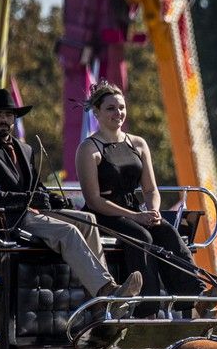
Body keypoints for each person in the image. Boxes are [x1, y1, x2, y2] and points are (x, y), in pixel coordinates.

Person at [0, 88, 141, 343]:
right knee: (67, 231)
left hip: (35, 211)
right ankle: (106, 292)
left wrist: (55, 199)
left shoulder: (24, 149)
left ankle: (101, 304)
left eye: (8, 115)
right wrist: (27, 200)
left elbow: (36, 188)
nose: (4, 120)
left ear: (14, 118)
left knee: (87, 220)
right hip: (9, 220)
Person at [75, 80, 204, 318]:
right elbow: (93, 200)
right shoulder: (88, 149)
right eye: (111, 108)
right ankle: (146, 308)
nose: (118, 113)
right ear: (97, 112)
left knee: (167, 232)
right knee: (141, 237)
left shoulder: (138, 144)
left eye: (121, 107)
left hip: (137, 211)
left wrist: (153, 211)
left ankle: (193, 299)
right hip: (104, 213)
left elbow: (150, 189)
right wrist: (136, 216)